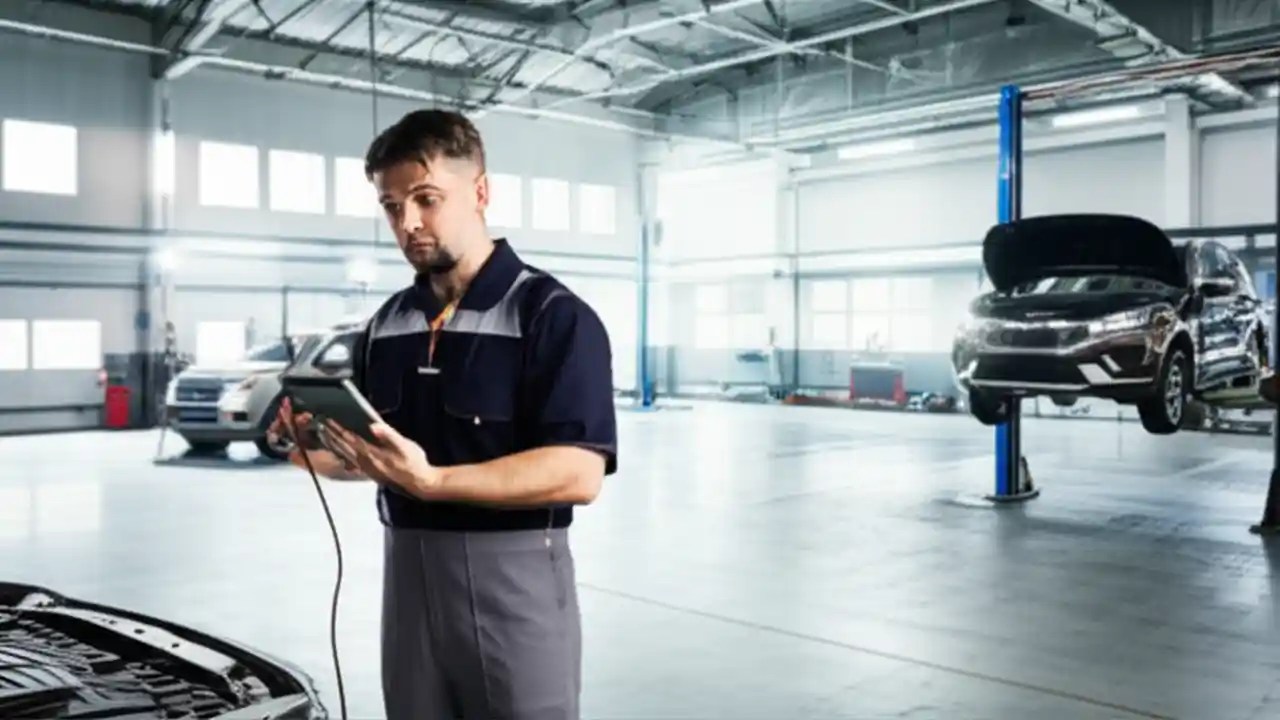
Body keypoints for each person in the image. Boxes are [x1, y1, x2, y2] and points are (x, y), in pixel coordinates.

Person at [269, 108, 618, 720]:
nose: (408, 223)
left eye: (426, 199)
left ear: (480, 192)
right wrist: (309, 448)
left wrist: (434, 482)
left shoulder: (552, 316)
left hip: (516, 580)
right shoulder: (387, 325)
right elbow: (378, 461)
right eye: (390, 205)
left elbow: (577, 474)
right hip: (407, 579)